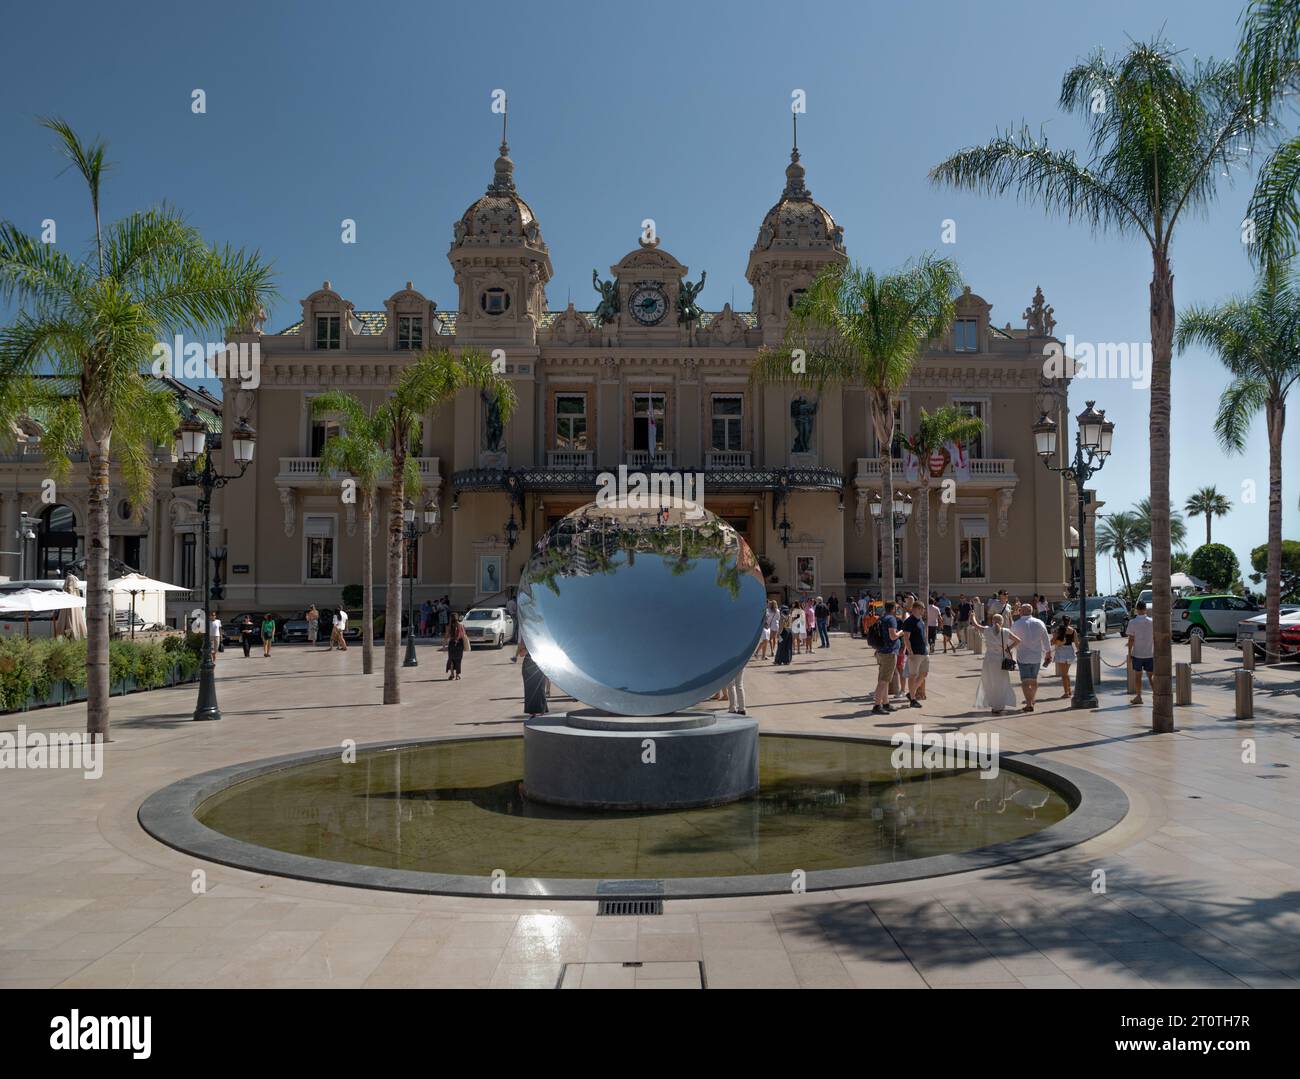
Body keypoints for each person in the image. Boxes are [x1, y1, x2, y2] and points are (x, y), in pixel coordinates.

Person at [970, 608, 1020, 715]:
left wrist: (973, 616)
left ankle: (993, 704)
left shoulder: (987, 630)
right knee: (1001, 682)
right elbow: (1018, 640)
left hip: (989, 659)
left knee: (990, 682)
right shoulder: (1006, 631)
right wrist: (1008, 648)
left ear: (992, 621)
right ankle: (999, 705)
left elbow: (976, 625)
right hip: (1000, 660)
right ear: (1002, 622)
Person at [1011, 603, 1052, 712]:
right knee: (1033, 680)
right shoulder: (1039, 623)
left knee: (1025, 681)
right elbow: (1045, 639)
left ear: (1021, 611)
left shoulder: (1016, 624)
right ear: (1032, 611)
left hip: (1022, 656)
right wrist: (1048, 652)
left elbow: (1010, 640)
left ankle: (1029, 703)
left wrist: (1008, 652)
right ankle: (1032, 699)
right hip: (1036, 657)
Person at [870, 600, 903, 715]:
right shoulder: (891, 619)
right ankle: (877, 706)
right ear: (893, 609)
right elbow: (893, 636)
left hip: (881, 652)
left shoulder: (882, 618)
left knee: (883, 679)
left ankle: (886, 703)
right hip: (889, 653)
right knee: (884, 681)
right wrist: (900, 633)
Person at [1126, 601, 1155, 705]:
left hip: (1137, 654)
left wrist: (1129, 653)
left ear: (1136, 609)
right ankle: (1156, 695)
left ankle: (1139, 696)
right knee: (1151, 676)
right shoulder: (1152, 621)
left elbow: (1131, 639)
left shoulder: (1132, 622)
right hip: (1150, 653)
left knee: (1138, 676)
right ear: (1145, 609)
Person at [900, 602, 928, 709]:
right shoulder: (909, 621)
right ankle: (912, 699)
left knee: (924, 674)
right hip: (914, 653)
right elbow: (906, 638)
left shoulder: (920, 620)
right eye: (922, 608)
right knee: (912, 676)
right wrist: (910, 651)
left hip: (923, 652)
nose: (923, 610)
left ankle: (911, 693)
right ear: (916, 608)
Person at [1052, 615, 1077, 699]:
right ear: (1069, 622)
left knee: (1064, 674)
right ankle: (1069, 691)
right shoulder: (1073, 631)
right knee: (1066, 673)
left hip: (1061, 651)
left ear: (1062, 621)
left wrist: (1058, 642)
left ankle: (1066, 692)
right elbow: (1077, 643)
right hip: (1070, 650)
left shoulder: (1058, 630)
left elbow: (1052, 642)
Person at [521, 644, 548, 716]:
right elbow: (521, 653)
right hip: (528, 666)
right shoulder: (526, 637)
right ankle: (532, 712)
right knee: (530, 689)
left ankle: (542, 711)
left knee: (541, 689)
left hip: (540, 663)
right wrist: (529, 648)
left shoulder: (543, 639)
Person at [446, 614, 467, 680]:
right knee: (458, 660)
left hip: (451, 643)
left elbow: (447, 636)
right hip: (459, 644)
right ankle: (457, 675)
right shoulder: (461, 625)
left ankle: (452, 674)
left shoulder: (448, 626)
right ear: (457, 618)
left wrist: (444, 645)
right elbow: (463, 634)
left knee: (451, 659)